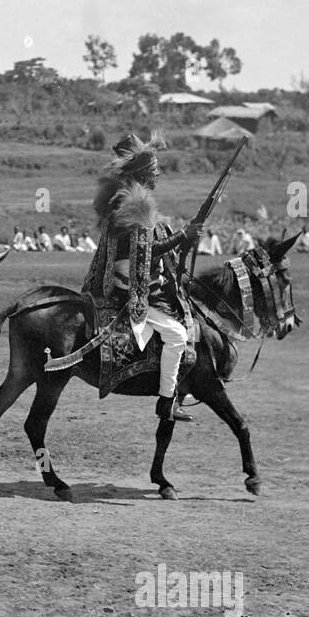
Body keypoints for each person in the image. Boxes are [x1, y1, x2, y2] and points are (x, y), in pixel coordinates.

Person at [82, 131, 201, 421]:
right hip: (130, 285)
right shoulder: (137, 202)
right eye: (153, 169)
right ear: (143, 173)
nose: (158, 173)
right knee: (177, 335)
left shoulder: (128, 198)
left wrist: (182, 238)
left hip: (120, 275)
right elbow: (144, 251)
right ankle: (166, 400)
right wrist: (182, 236)